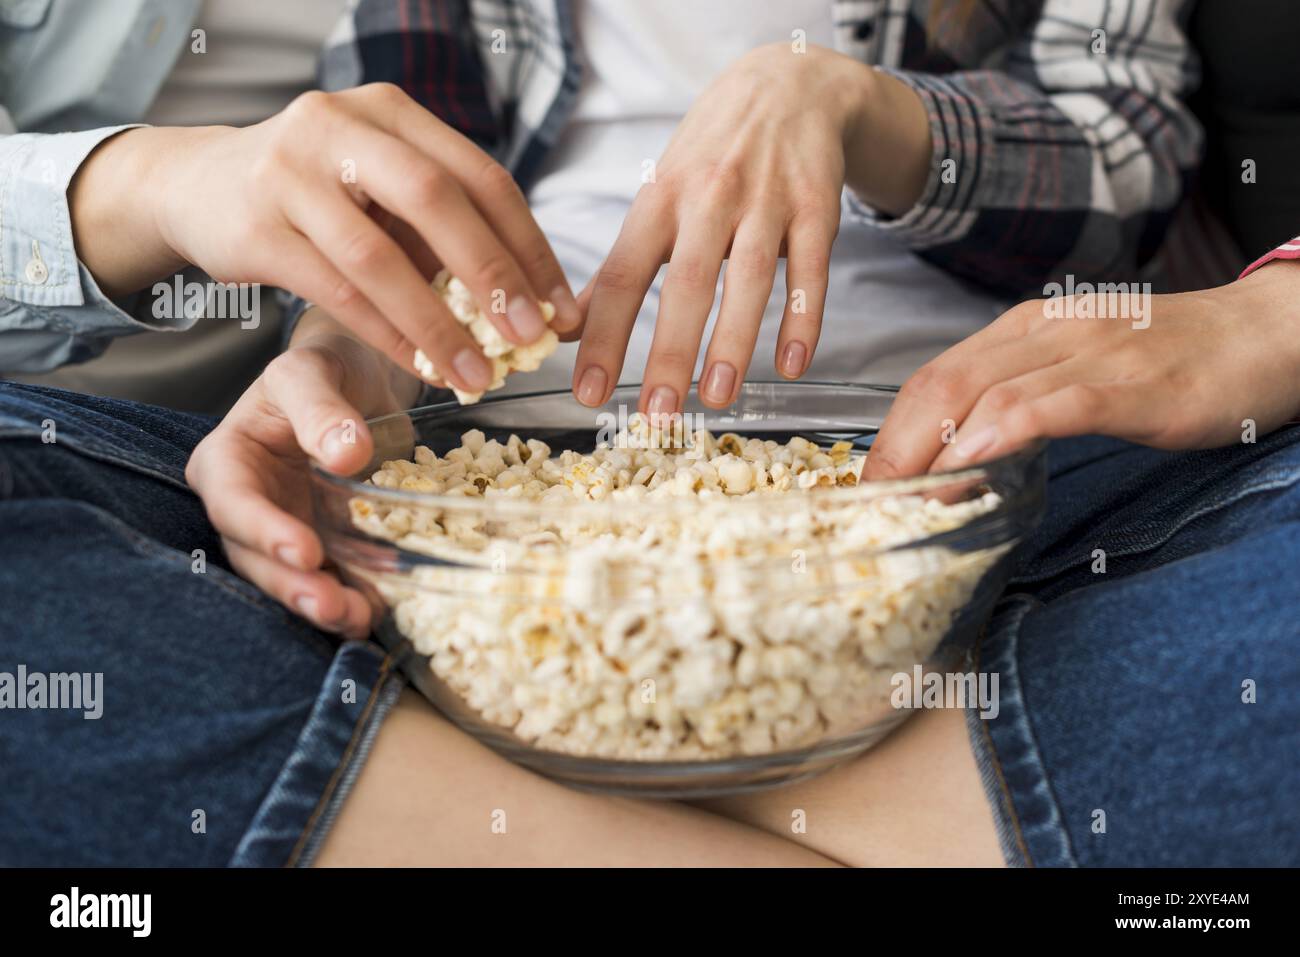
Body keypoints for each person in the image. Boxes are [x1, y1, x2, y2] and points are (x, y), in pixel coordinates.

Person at [4, 0, 1294, 867]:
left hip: (975, 462)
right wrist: (345, 356)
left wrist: (858, 109)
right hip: (489, 471)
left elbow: (1125, 160)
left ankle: (526, 738)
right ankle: (921, 808)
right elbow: (384, 180)